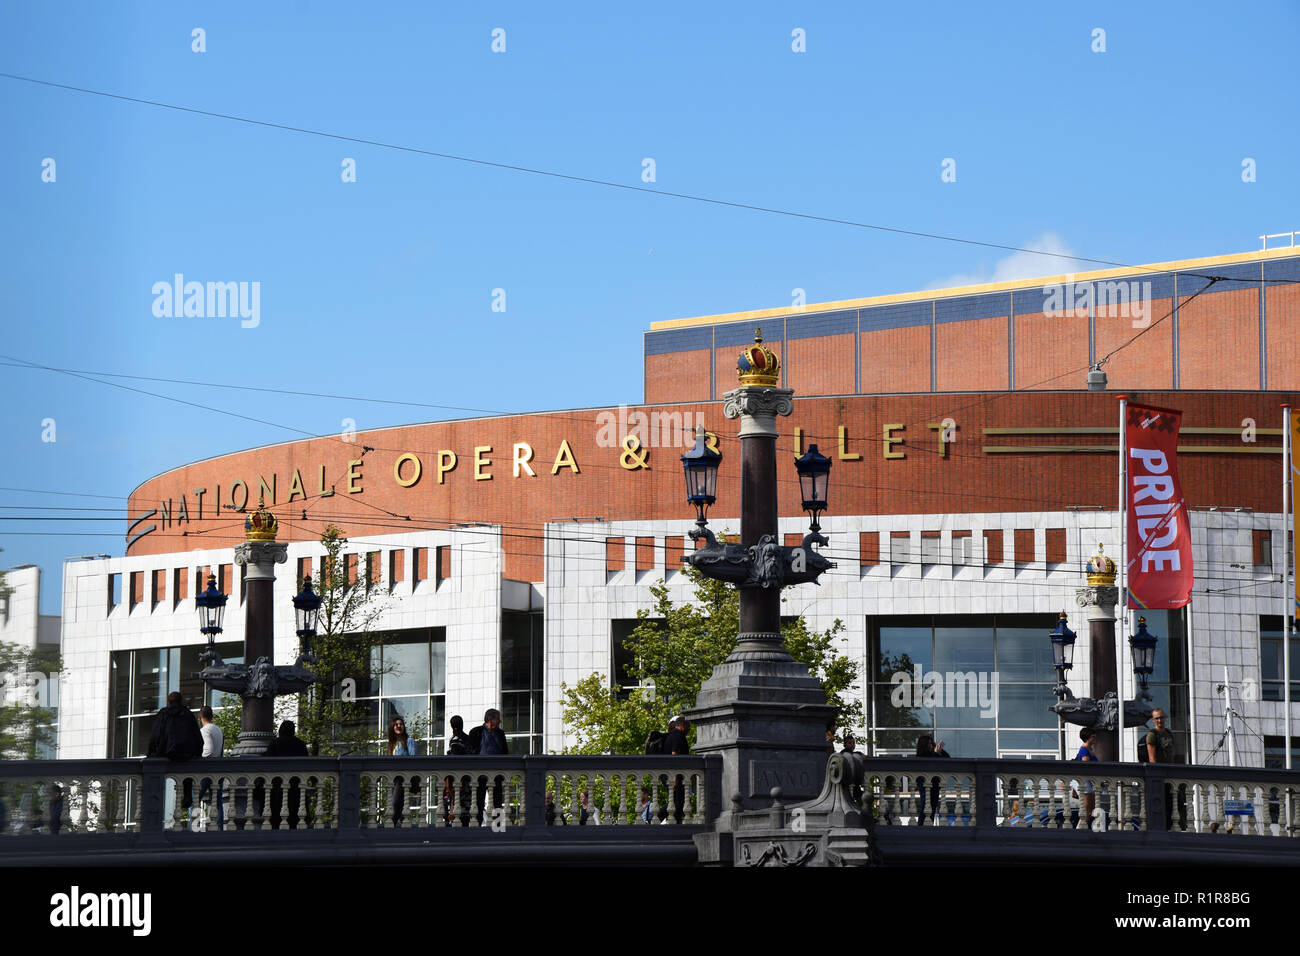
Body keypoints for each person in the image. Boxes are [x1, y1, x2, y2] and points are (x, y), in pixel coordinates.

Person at [147, 691, 204, 822]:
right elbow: (197, 735)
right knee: (187, 778)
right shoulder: (188, 714)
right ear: (181, 701)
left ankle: (157, 809)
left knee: (158, 782)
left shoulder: (163, 714)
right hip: (186, 754)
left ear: (168, 701)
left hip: (167, 753)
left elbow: (155, 735)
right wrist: (197, 752)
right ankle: (186, 797)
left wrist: (151, 753)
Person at [265, 720, 309, 829]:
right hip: (296, 784)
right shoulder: (300, 744)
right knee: (295, 810)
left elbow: (267, 763)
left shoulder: (274, 744)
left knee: (277, 811)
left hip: (277, 786)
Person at [467, 708, 508, 823]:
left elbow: (505, 752)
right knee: (478, 802)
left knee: (498, 803)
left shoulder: (501, 734)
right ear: (490, 719)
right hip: (479, 774)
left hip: (497, 774)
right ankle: (477, 828)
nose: (499, 721)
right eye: (498, 719)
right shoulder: (476, 732)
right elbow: (470, 752)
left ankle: (498, 828)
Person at [1145, 709, 1181, 830]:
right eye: (1157, 718)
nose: (1160, 720)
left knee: (1173, 802)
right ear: (1153, 720)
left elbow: (1171, 753)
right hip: (1160, 774)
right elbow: (1152, 757)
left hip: (1170, 771)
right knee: (1162, 801)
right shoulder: (1152, 735)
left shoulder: (1168, 733)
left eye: (1161, 717)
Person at [198, 705, 224, 831]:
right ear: (212, 716)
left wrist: (199, 759)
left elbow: (208, 749)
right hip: (218, 769)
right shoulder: (218, 729)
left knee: (195, 800)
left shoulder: (204, 730)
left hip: (205, 769)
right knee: (218, 801)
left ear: (200, 717)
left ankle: (194, 827)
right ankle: (219, 828)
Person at [913, 734, 948, 825]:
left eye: (931, 743)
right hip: (925, 785)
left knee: (932, 807)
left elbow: (948, 759)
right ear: (924, 745)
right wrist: (936, 753)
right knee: (926, 807)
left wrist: (940, 749)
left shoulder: (933, 753)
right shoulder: (921, 757)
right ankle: (921, 828)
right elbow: (930, 764)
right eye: (929, 744)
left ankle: (929, 826)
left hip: (935, 785)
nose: (931, 745)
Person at [663, 715, 690, 823]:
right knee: (676, 803)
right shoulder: (678, 736)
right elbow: (674, 755)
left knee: (677, 803)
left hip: (671, 775)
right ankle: (652, 817)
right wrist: (674, 777)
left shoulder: (671, 735)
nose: (689, 730)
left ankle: (676, 824)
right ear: (682, 725)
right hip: (675, 777)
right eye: (688, 726)